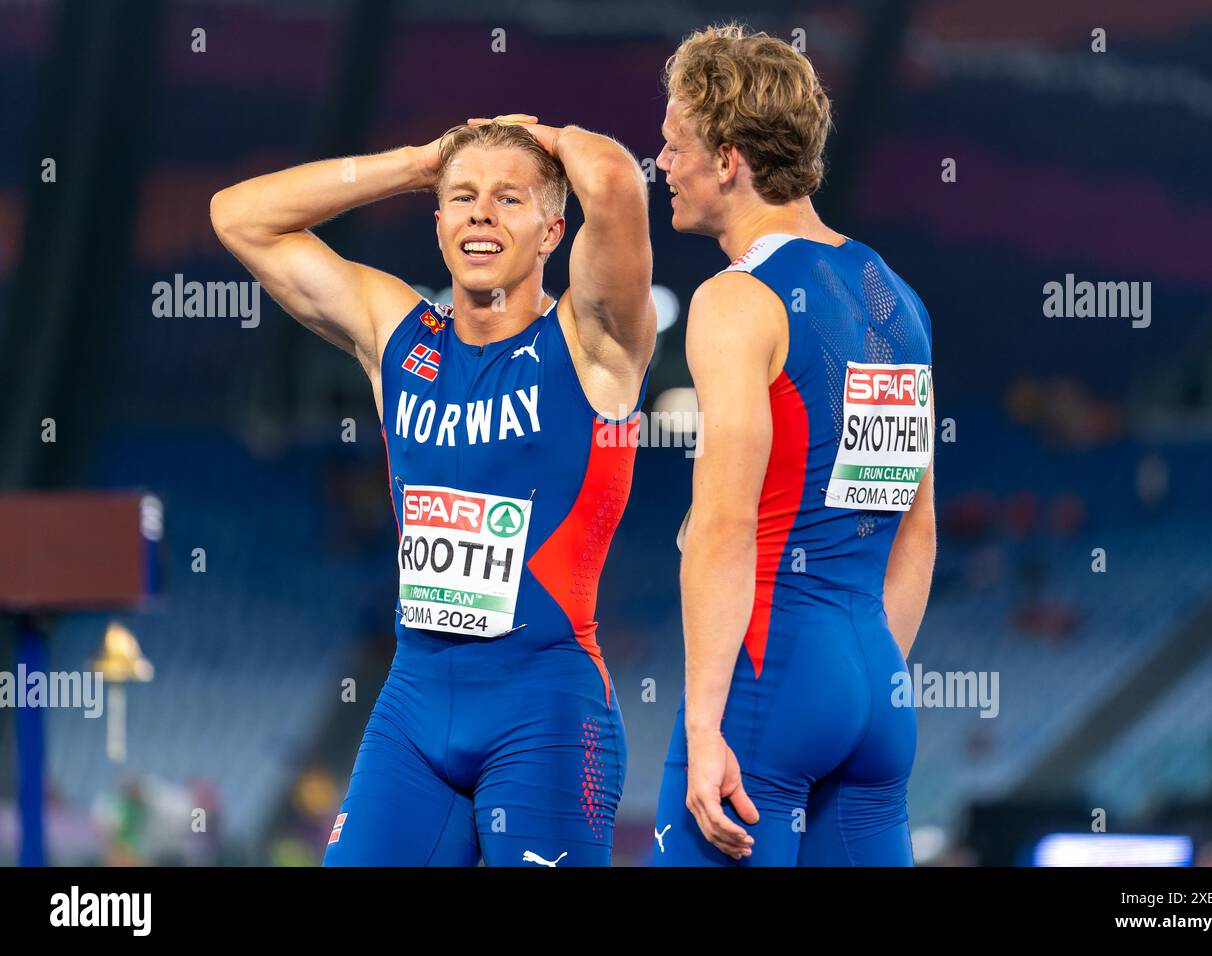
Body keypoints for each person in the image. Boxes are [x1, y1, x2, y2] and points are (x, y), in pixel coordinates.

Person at [211, 115, 655, 865]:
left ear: (553, 232)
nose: (481, 212)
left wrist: (539, 134)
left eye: (509, 200)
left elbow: (613, 181)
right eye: (463, 198)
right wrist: (418, 162)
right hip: (412, 711)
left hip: (545, 711)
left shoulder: (593, 343)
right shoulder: (399, 338)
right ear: (439, 220)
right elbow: (238, 217)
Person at [652, 24, 936, 866]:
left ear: (728, 158)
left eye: (674, 144)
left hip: (768, 687)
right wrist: (865, 675)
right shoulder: (898, 298)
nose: (661, 164)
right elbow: (915, 530)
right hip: (876, 691)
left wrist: (707, 726)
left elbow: (723, 524)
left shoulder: (735, 301)